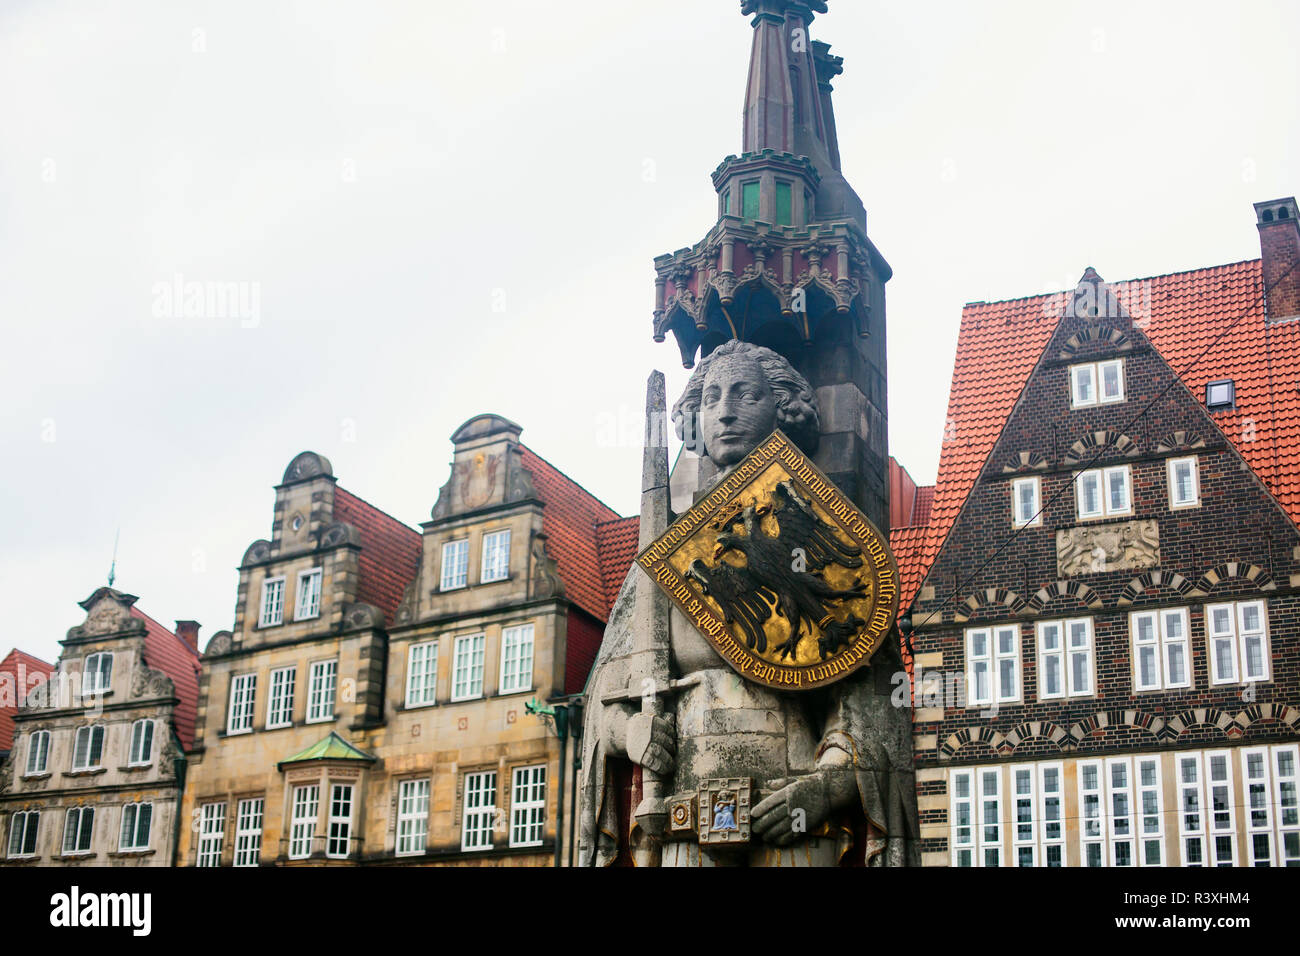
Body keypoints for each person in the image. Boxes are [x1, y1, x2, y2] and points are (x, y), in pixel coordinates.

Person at [578, 340, 917, 867]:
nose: (727, 411)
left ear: (781, 408)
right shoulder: (668, 551)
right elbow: (606, 703)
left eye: (746, 394)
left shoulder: (822, 527)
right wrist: (632, 732)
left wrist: (826, 786)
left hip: (794, 811)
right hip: (681, 813)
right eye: (712, 398)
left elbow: (871, 700)